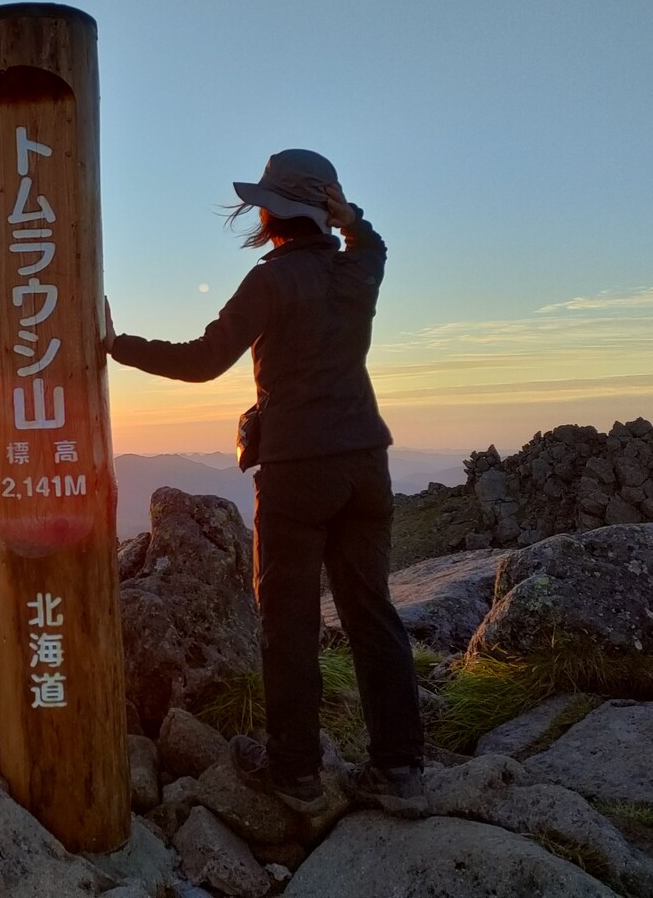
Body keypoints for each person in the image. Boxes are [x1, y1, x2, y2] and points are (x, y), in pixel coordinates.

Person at [104, 148, 424, 813]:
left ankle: (295, 774)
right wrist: (351, 217)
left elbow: (203, 361)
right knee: (372, 616)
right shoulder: (358, 268)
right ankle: (400, 772)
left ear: (272, 209)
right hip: (366, 461)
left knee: (289, 625)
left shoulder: (271, 281)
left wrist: (115, 345)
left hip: (296, 471)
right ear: (326, 209)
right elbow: (376, 242)